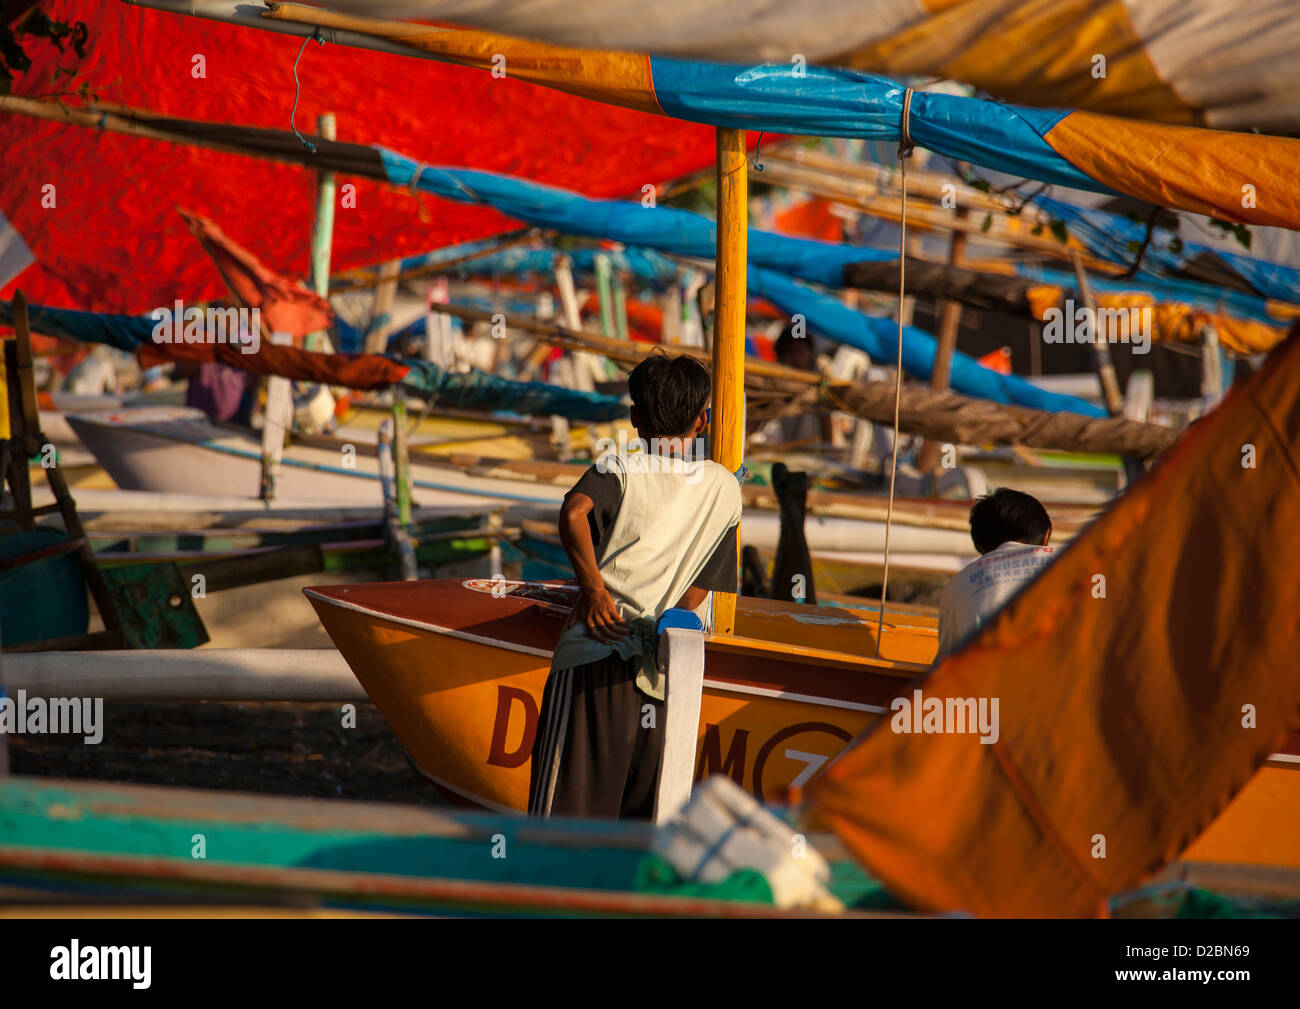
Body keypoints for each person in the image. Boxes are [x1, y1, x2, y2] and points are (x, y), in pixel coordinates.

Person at [528, 351, 742, 820]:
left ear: (635, 418)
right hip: (671, 678)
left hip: (596, 658)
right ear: (702, 422)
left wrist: (595, 590)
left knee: (562, 826)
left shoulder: (618, 469)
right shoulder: (725, 488)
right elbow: (703, 585)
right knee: (640, 831)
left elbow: (573, 513)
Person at [935, 488, 1056, 663]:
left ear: (982, 549)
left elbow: (945, 665)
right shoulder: (1081, 563)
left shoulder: (960, 583)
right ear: (1045, 538)